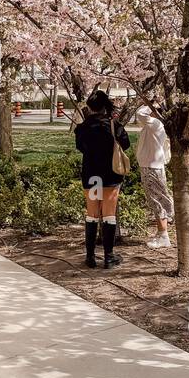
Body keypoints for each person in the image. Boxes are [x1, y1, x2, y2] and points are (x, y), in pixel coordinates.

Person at [75, 90, 131, 268]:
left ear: (90, 107)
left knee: (92, 214)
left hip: (91, 175)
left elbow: (81, 148)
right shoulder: (114, 126)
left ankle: (90, 257)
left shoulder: (82, 128)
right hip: (110, 175)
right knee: (108, 214)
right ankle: (109, 256)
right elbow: (126, 144)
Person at [135, 105, 173, 249]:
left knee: (157, 200)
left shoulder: (156, 124)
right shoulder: (154, 125)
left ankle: (164, 235)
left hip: (152, 166)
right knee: (155, 199)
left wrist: (152, 102)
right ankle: (161, 232)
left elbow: (140, 113)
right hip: (150, 165)